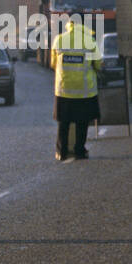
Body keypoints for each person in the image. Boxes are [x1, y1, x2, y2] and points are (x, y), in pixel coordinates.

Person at [51, 18, 102, 160]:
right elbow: (98, 64)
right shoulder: (90, 41)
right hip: (85, 91)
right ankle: (80, 150)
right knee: (82, 122)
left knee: (64, 122)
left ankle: (61, 152)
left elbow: (53, 63)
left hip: (64, 90)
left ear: (69, 25)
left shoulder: (59, 40)